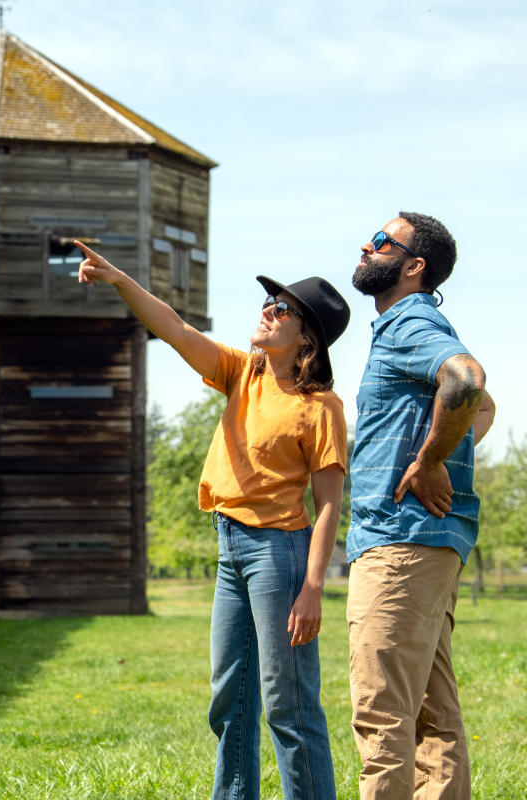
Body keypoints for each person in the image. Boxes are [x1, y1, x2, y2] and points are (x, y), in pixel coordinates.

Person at [75, 240, 350, 800]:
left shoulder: (320, 407)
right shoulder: (241, 374)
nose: (267, 310)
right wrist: (120, 280)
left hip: (281, 555)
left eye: (282, 308)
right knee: (230, 696)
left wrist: (314, 588)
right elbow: (175, 329)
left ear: (307, 336)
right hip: (231, 549)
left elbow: (328, 506)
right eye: (268, 301)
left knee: (286, 702)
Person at [346, 212, 497, 800]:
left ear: (414, 266)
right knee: (433, 717)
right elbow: (482, 410)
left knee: (381, 715)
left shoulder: (409, 320)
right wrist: (430, 456)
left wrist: (430, 462)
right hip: (428, 543)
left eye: (382, 241)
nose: (367, 244)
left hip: (400, 544)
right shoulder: (412, 325)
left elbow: (468, 381)